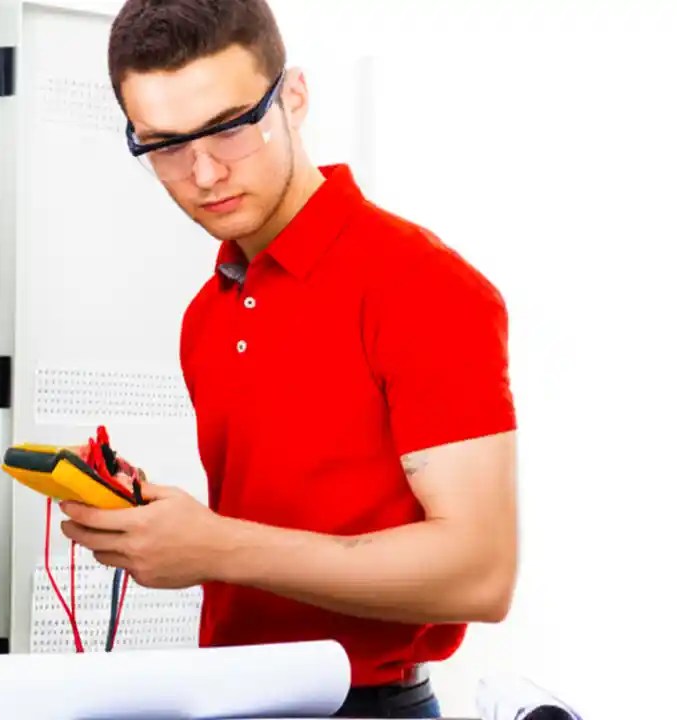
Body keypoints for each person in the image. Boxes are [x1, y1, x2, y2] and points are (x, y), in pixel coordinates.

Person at [59, 1, 518, 716]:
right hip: (224, 699)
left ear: (294, 98)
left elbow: (480, 575)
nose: (204, 172)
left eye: (232, 127)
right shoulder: (206, 315)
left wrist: (211, 548)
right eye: (165, 145)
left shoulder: (423, 286)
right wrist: (151, 523)